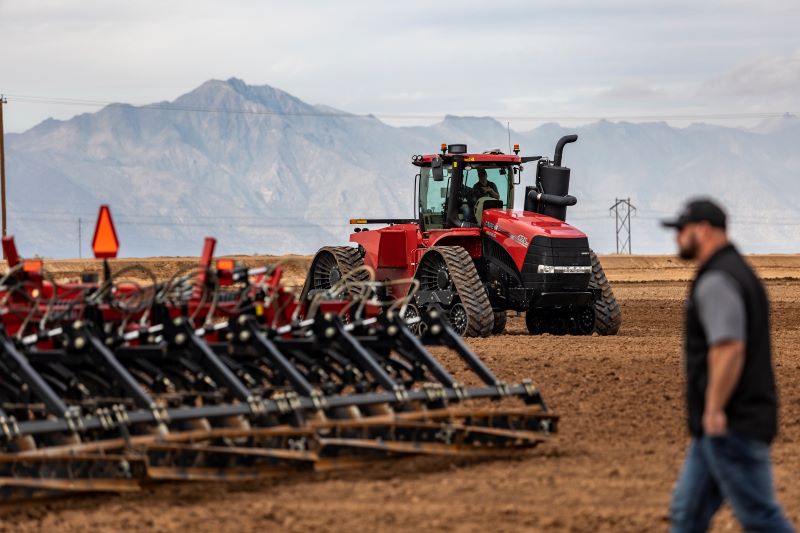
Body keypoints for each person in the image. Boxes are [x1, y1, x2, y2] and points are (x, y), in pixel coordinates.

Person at [662, 198, 794, 533]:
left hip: (732, 423)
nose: (677, 238)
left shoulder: (718, 280)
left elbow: (729, 347)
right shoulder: (738, 272)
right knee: (686, 515)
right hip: (721, 427)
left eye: (681, 230)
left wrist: (715, 408)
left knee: (760, 517)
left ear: (703, 231)